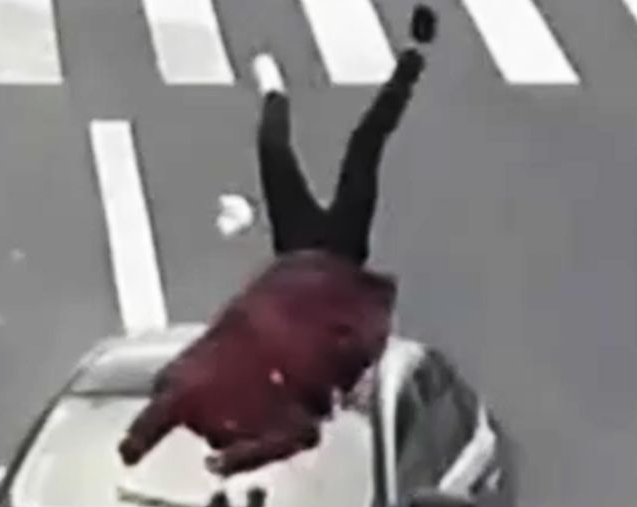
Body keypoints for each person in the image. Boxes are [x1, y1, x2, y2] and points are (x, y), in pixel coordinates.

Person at [117, 5, 437, 478]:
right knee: (362, 147)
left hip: (297, 256)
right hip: (340, 261)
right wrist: (229, 461)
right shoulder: (279, 409)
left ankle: (276, 94)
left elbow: (179, 397)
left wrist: (143, 443)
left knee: (279, 150)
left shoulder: (227, 390)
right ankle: (410, 59)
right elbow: (300, 430)